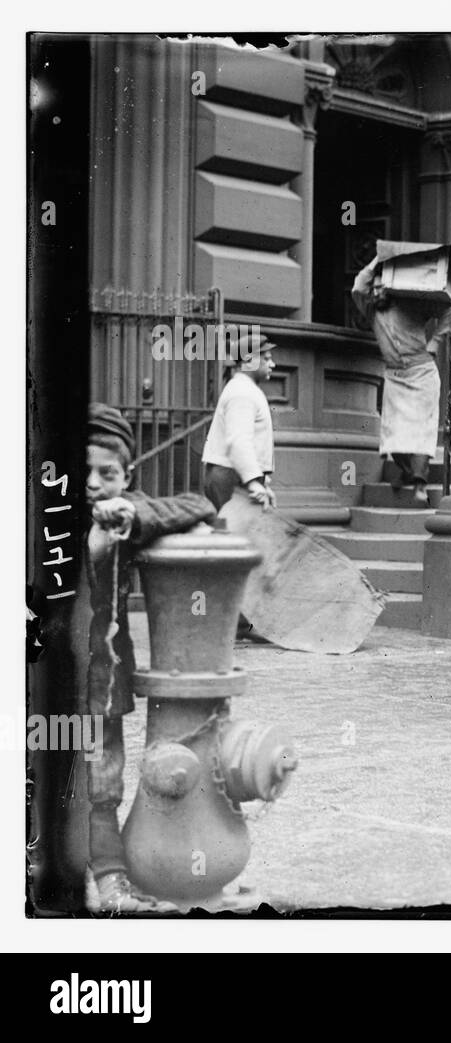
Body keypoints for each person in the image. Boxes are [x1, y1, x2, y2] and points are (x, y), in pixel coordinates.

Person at [76, 404, 216, 913]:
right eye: (82, 472)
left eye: (107, 474)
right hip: (42, 674)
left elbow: (198, 504)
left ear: (127, 475)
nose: (92, 484)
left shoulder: (126, 510)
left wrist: (137, 515)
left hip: (101, 679)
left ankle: (111, 881)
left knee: (102, 780)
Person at [351, 257, 451, 503]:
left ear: (391, 285)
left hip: (421, 372)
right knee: (394, 433)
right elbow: (358, 287)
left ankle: (420, 483)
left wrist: (435, 341)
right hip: (394, 375)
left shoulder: (412, 303)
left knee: (421, 431)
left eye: (381, 285)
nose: (376, 290)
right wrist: (378, 260)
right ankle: (408, 472)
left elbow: (449, 311)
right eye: (373, 286)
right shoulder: (370, 307)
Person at [201, 332, 277, 512]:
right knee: (233, 537)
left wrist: (262, 481)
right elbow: (239, 441)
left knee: (236, 536)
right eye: (266, 359)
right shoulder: (242, 392)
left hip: (234, 476)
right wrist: (253, 481)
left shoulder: (244, 389)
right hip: (231, 477)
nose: (272, 364)